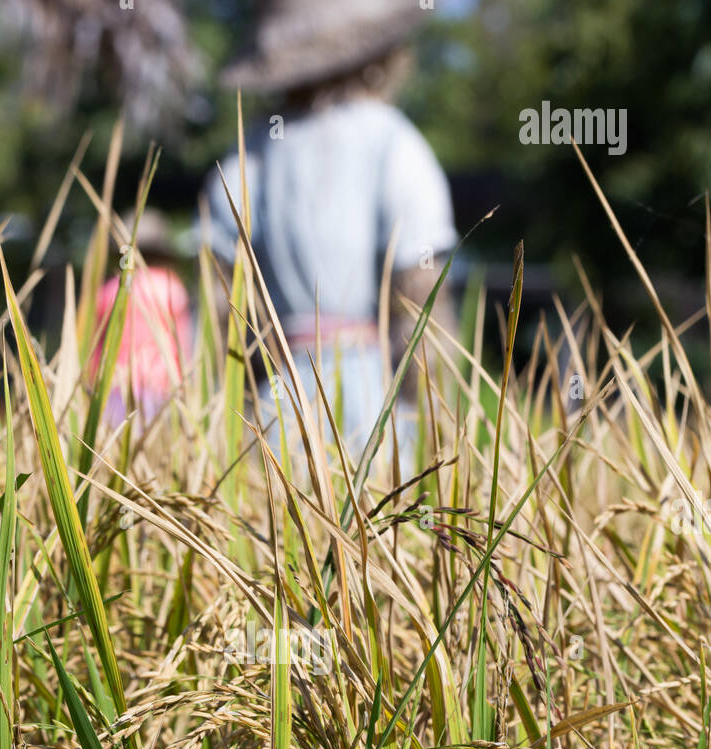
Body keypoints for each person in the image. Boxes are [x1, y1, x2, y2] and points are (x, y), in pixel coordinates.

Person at [201, 0, 458, 470]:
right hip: (374, 403)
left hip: (278, 400)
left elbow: (225, 307)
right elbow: (422, 299)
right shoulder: (393, 140)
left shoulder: (247, 152)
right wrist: (431, 417)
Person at [91, 208, 193, 429]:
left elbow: (98, 347)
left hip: (115, 386)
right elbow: (183, 346)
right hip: (159, 386)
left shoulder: (110, 290)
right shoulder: (172, 288)